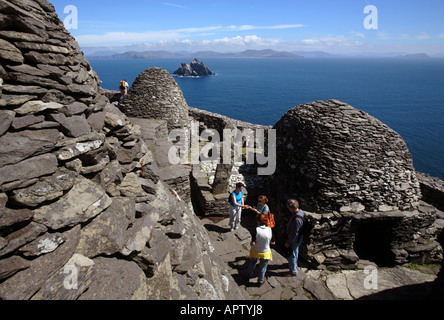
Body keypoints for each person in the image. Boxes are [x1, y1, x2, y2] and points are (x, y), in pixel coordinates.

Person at [245, 214, 275, 285]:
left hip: (256, 251)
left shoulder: (256, 230)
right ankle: (260, 280)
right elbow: (273, 242)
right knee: (263, 267)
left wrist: (251, 243)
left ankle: (248, 275)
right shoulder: (270, 230)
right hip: (265, 252)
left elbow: (253, 243)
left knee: (252, 263)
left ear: (258, 221)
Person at [284, 199, 305, 277]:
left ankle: (293, 271)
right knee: (295, 251)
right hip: (297, 237)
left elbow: (294, 234)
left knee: (293, 253)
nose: (288, 209)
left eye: (288, 207)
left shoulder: (297, 219)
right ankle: (292, 263)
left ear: (292, 208)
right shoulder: (300, 212)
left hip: (295, 239)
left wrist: (288, 243)